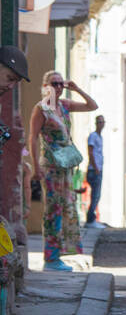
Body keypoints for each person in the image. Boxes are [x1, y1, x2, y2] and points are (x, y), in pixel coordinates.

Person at [28, 71, 96, 271]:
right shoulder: (41, 109)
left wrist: (76, 89)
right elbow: (32, 137)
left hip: (65, 165)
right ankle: (50, 258)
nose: (58, 87)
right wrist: (36, 166)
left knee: (66, 208)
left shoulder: (64, 106)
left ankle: (58, 255)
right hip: (50, 165)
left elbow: (92, 106)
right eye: (54, 84)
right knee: (53, 210)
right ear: (45, 86)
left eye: (60, 84)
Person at [85, 115, 106, 226]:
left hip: (98, 169)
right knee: (95, 195)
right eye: (100, 122)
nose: (101, 124)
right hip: (94, 170)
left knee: (97, 195)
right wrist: (96, 168)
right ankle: (90, 219)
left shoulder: (100, 137)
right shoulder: (93, 136)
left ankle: (91, 218)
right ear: (96, 123)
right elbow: (90, 152)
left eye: (103, 122)